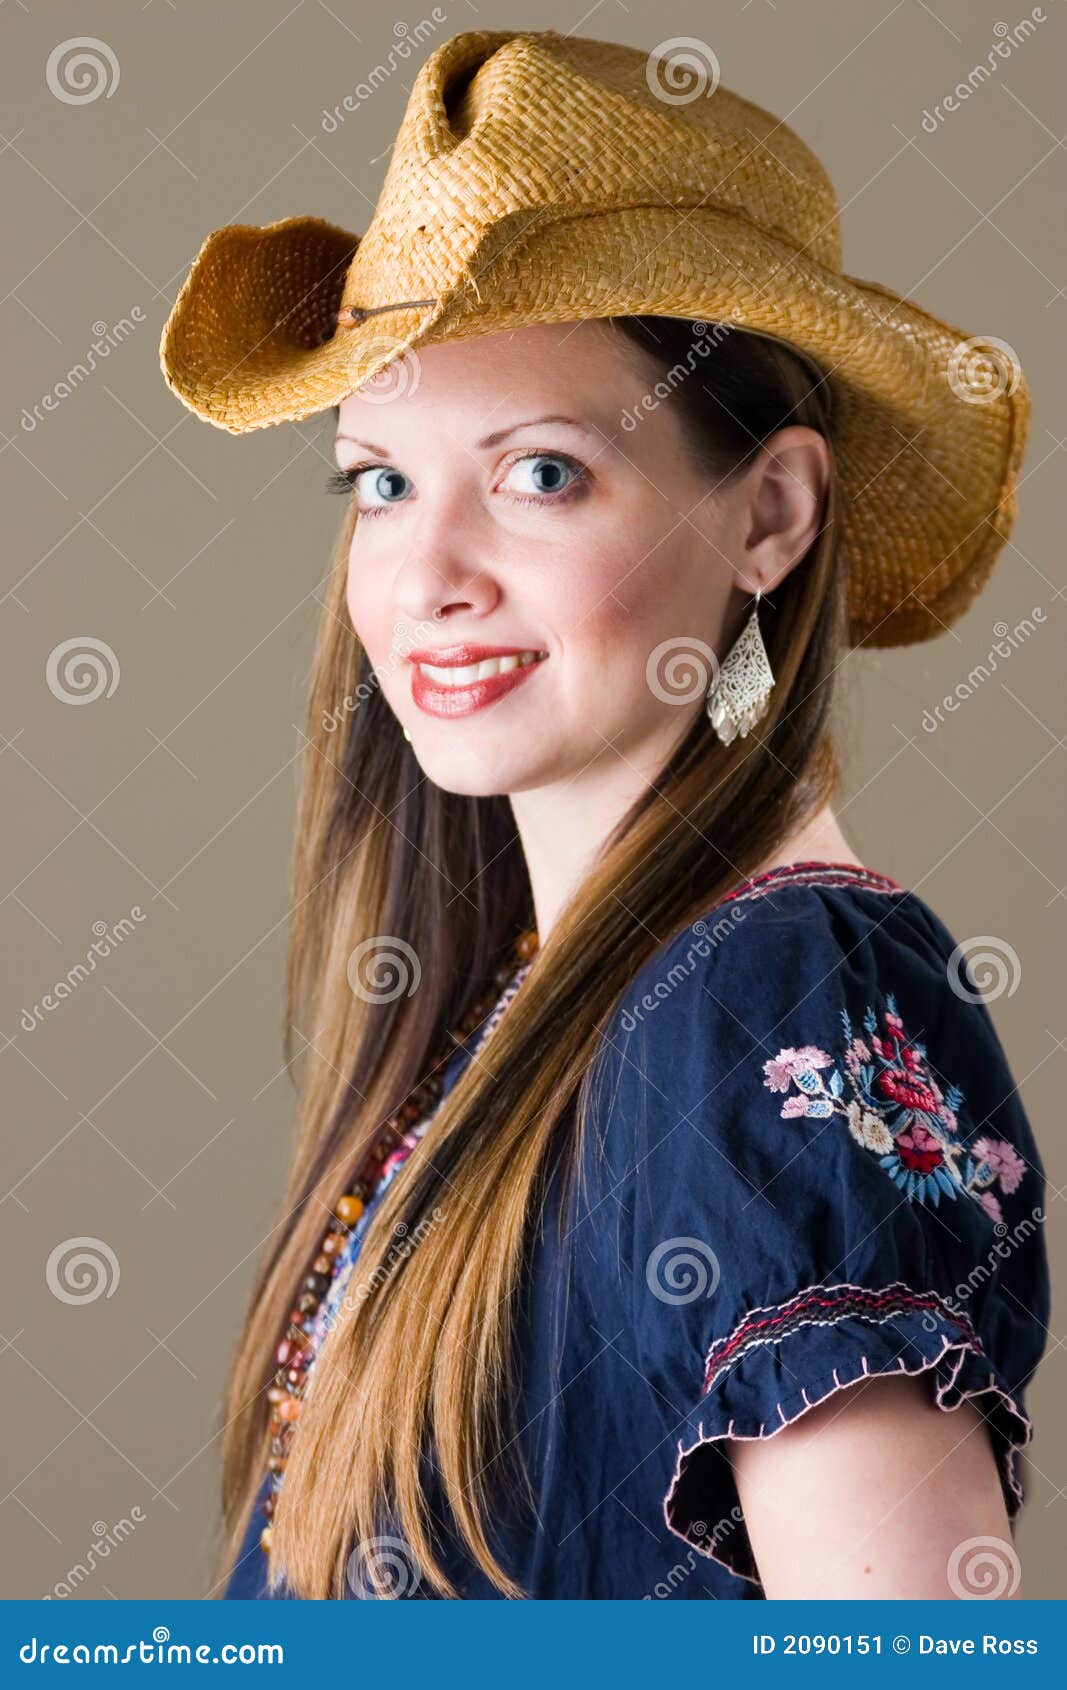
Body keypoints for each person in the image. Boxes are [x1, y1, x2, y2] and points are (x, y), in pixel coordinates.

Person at [159, 30, 1045, 1601]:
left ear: (769, 514)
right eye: (378, 480)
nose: (426, 570)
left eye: (543, 474)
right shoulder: (516, 997)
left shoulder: (772, 992)